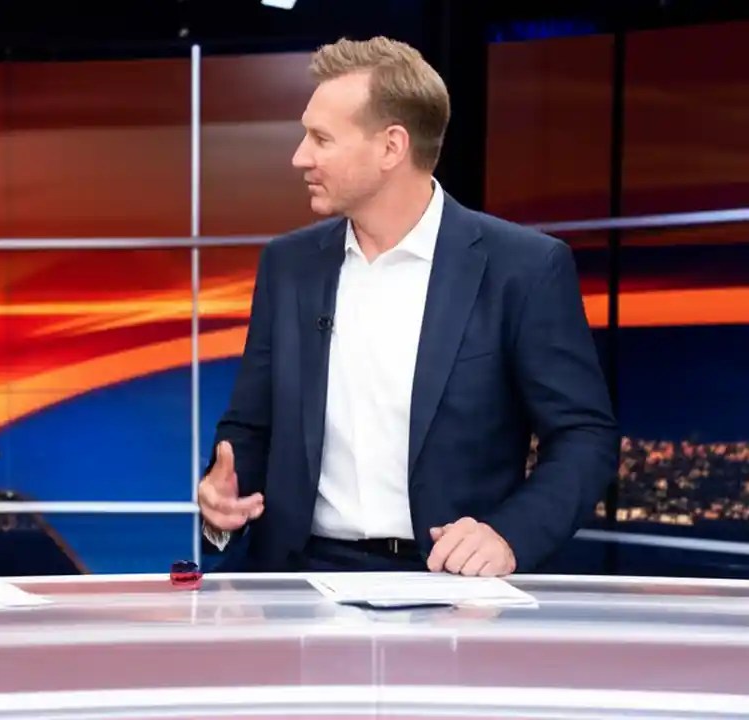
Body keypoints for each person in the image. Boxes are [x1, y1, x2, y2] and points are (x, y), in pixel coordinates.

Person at [198, 37, 619, 576]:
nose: (300, 156)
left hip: (449, 581)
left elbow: (585, 435)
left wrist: (510, 535)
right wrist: (222, 500)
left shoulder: (523, 268)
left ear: (391, 147)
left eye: (321, 138)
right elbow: (249, 428)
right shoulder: (289, 265)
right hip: (300, 579)